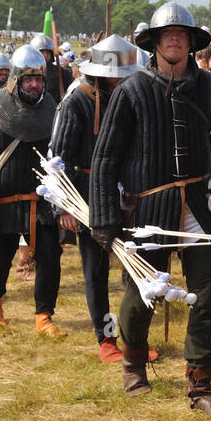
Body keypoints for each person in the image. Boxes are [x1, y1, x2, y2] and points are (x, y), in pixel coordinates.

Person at [90, 3, 211, 410]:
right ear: (153, 42)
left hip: (203, 207)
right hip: (148, 212)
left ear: (191, 42)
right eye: (166, 34)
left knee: (208, 296)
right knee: (142, 297)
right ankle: (134, 362)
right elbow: (105, 158)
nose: (174, 39)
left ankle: (200, 385)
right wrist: (104, 218)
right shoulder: (132, 90)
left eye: (181, 34)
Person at [52, 35, 149, 361]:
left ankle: (133, 339)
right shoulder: (76, 101)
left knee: (137, 268)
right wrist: (62, 206)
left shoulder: (126, 98)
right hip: (86, 194)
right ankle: (106, 339)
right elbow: (59, 158)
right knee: (96, 272)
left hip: (127, 193)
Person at [0, 45, 64, 334]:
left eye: (38, 79)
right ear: (15, 80)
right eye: (28, 79)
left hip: (40, 200)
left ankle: (44, 316)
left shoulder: (51, 109)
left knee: (49, 256)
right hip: (1, 201)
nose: (34, 84)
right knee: (0, 259)